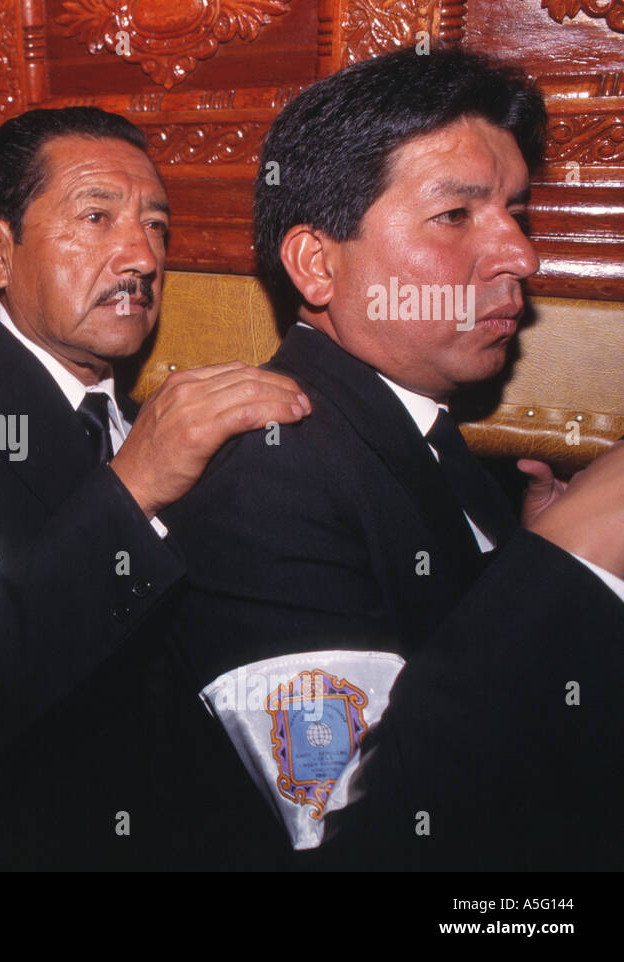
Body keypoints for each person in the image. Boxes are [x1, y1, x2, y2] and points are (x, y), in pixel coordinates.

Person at [159, 47, 624, 870]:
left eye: (517, 211)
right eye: (457, 216)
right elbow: (358, 835)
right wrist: (566, 563)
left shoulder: (424, 434)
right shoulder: (268, 472)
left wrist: (523, 564)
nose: (521, 255)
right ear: (316, 263)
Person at [0, 106, 311, 869]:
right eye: (97, 216)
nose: (140, 256)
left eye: (156, 226)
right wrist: (132, 491)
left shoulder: (127, 416)